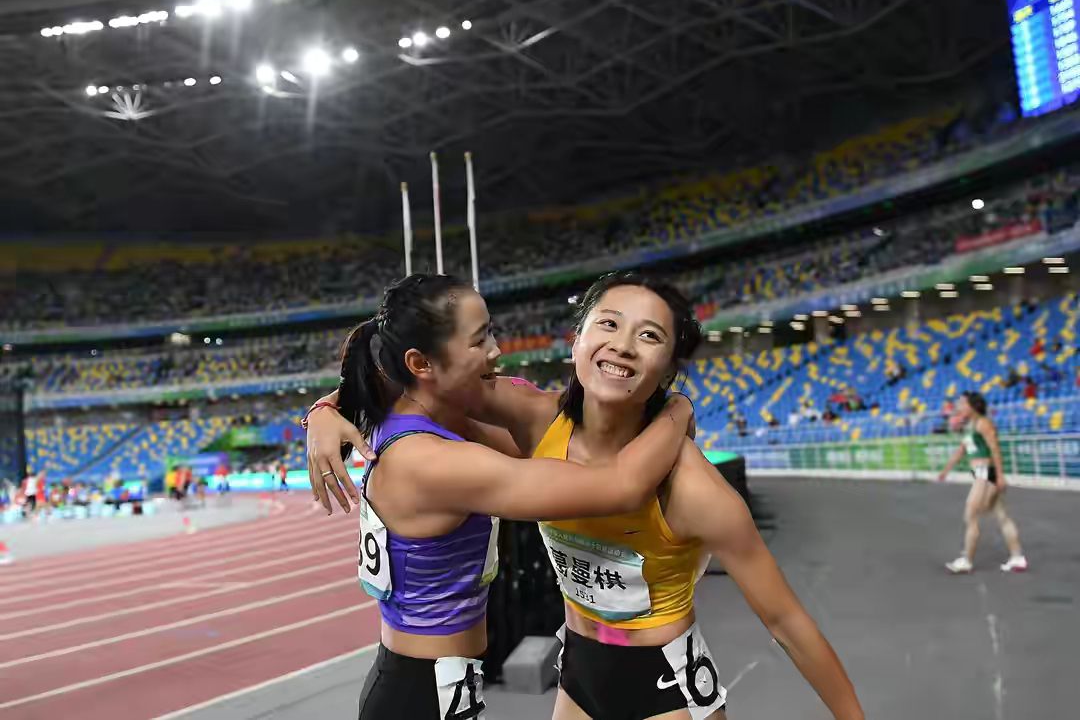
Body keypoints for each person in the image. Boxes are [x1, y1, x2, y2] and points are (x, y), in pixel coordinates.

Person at [309, 271, 864, 720]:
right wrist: (324, 410)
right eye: (609, 324)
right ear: (576, 340)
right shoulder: (528, 417)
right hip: (576, 681)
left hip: (662, 689)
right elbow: (413, 381)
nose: (622, 345)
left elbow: (787, 622)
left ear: (669, 366)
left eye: (649, 336)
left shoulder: (693, 488)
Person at [307, 274, 695, 720]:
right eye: (478, 341)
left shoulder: (403, 409)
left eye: (492, 331)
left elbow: (359, 388)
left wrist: (319, 411)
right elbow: (620, 488)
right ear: (421, 364)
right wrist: (675, 407)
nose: (495, 350)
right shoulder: (431, 461)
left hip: (429, 684)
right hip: (421, 696)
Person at [938, 392, 1027, 574]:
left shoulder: (983, 423)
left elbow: (995, 449)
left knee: (970, 514)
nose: (959, 407)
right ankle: (1017, 557)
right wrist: (945, 470)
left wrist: (1000, 476)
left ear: (972, 405)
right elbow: (961, 451)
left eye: (962, 403)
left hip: (986, 474)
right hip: (982, 474)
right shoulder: (970, 427)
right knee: (1001, 516)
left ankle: (967, 560)